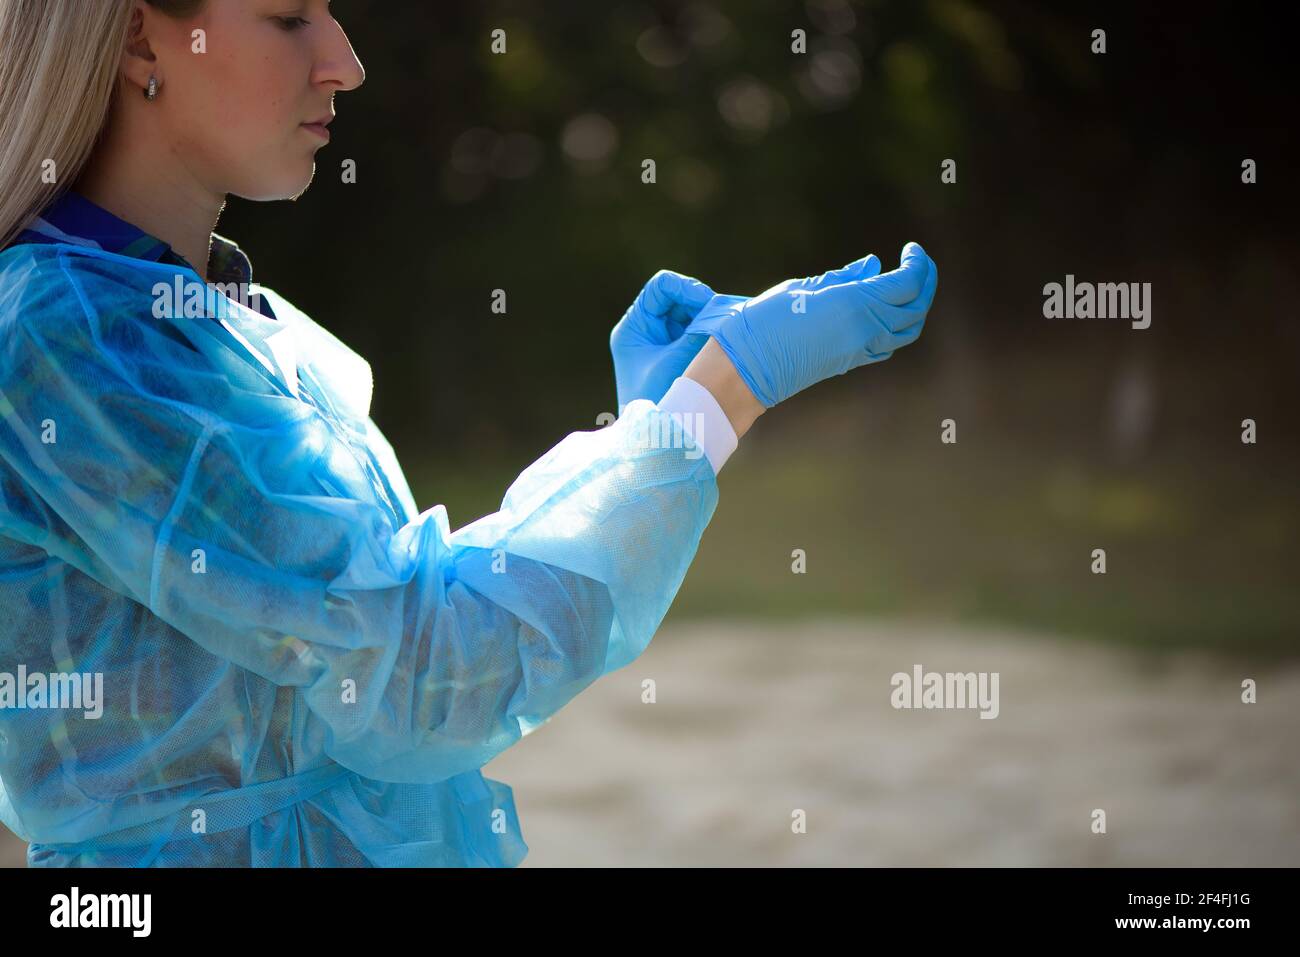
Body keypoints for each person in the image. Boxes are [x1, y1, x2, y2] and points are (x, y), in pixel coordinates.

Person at [0, 0, 937, 867]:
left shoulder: (210, 321)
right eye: (289, 17)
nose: (346, 64)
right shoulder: (75, 339)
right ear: (138, 39)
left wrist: (643, 433)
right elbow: (426, 674)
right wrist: (712, 401)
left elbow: (384, 612)